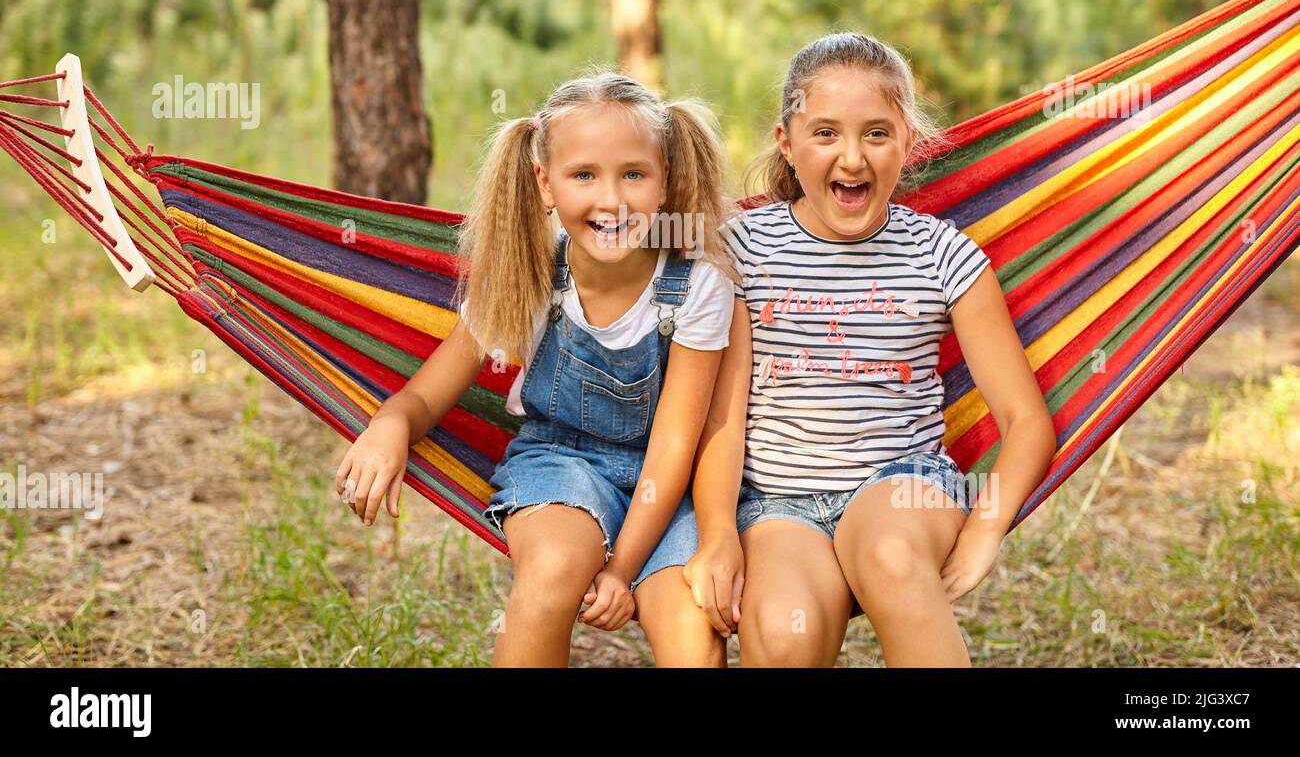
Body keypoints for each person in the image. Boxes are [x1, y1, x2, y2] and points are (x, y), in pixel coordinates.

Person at [336, 71, 737, 667]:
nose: (612, 199)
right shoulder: (525, 274)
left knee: (693, 630)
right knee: (551, 574)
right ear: (545, 183)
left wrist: (622, 569)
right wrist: (390, 424)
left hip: (671, 486)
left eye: (634, 173)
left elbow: (676, 448)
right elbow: (424, 397)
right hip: (563, 466)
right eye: (584, 175)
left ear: (666, 181)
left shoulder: (697, 284)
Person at [686, 33, 1057, 666]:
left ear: (908, 142)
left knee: (889, 557)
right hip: (779, 503)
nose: (852, 158)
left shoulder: (943, 255)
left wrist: (988, 526)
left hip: (901, 485)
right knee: (782, 633)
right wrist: (719, 529)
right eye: (825, 133)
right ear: (787, 143)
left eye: (877, 134)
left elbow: (1026, 422)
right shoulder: (741, 249)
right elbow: (720, 415)